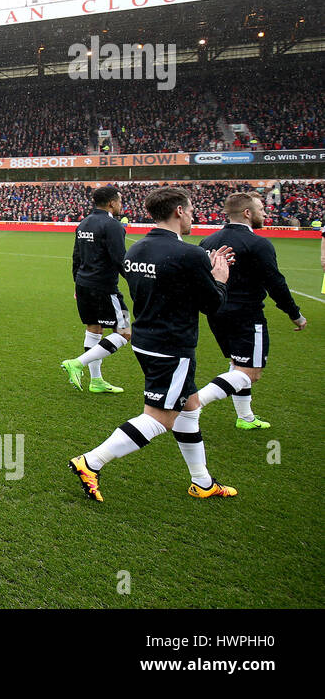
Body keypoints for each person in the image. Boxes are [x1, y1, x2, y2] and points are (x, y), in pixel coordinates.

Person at [69, 187, 236, 502]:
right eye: (190, 209)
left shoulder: (136, 250)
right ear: (178, 212)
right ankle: (91, 461)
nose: (192, 215)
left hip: (145, 339)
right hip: (172, 346)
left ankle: (202, 482)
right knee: (160, 417)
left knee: (189, 407)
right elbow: (212, 305)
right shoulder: (190, 254)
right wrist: (220, 278)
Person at [197, 192, 306, 429]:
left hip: (217, 313)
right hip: (246, 316)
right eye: (261, 209)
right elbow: (275, 283)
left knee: (238, 363)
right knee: (250, 372)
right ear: (248, 213)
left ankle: (245, 417)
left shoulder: (208, 241)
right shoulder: (258, 243)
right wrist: (295, 314)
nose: (265, 213)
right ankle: (193, 404)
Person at [61, 186, 132, 393]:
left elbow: (76, 257)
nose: (121, 204)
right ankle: (77, 363)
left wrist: (77, 283)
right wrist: (138, 283)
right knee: (125, 331)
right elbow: (121, 260)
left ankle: (96, 381)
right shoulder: (113, 225)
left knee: (94, 329)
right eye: (119, 201)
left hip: (84, 284)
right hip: (105, 288)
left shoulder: (84, 222)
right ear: (111, 203)